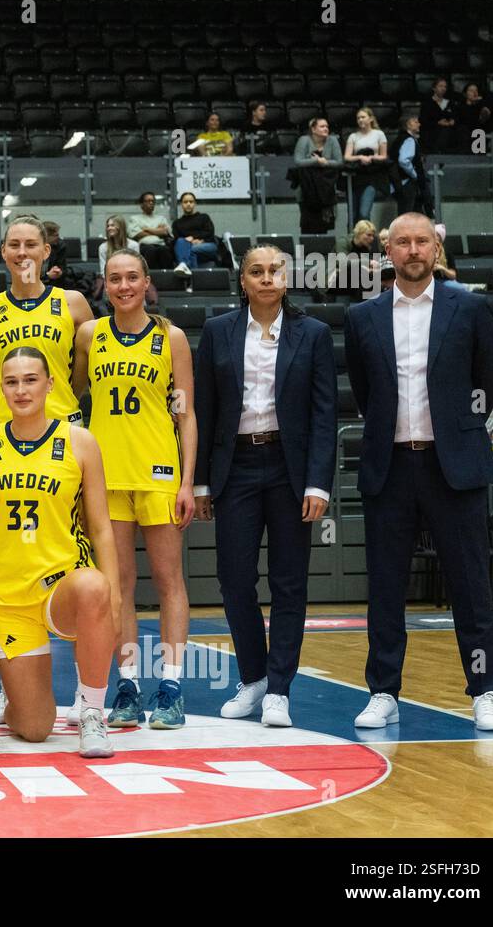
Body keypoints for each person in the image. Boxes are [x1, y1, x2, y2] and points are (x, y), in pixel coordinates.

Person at [343, 212, 493, 731]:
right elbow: (366, 393)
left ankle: (485, 690)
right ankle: (383, 691)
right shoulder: (362, 317)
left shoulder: (472, 308)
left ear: (436, 250)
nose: (413, 250)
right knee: (386, 587)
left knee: (470, 585)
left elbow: (487, 384)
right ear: (387, 253)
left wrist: (458, 435)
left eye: (422, 242)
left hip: (452, 466)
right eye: (402, 242)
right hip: (390, 466)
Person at [193, 245, 337, 726]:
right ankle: (253, 678)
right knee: (234, 580)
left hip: (289, 468)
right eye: (257, 271)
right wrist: (200, 483)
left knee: (289, 582)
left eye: (275, 270)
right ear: (243, 281)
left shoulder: (313, 334)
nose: (267, 278)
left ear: (288, 278)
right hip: (235, 466)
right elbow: (206, 410)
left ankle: (280, 689)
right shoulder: (217, 332)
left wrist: (318, 483)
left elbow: (324, 415)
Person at [0, 346, 122, 756]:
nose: (21, 390)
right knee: (35, 728)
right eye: (11, 381)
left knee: (93, 586)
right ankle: (14, 695)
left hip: (62, 585)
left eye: (30, 380)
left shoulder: (80, 442)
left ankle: (91, 712)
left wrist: (116, 593)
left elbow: (102, 527)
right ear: (0, 388)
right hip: (7, 598)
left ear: (50, 384)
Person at [73, 250, 197, 728]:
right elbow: (74, 398)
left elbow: (185, 415)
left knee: (169, 582)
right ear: (104, 286)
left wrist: (187, 480)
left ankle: (171, 686)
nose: (124, 286)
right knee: (116, 587)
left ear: (147, 282)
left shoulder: (172, 338)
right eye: (114, 279)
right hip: (106, 476)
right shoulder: (91, 336)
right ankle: (126, 686)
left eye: (132, 277)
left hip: (159, 475)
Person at [0, 212, 94, 431]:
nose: (22, 252)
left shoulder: (73, 303)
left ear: (46, 251)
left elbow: (86, 376)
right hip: (6, 428)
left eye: (31, 244)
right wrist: (4, 393)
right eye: (14, 245)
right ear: (3, 251)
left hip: (62, 426)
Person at [292, 117, 344, 234]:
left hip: (326, 188)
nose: (326, 129)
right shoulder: (304, 140)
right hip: (307, 188)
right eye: (322, 126)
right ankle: (307, 248)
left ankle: (321, 249)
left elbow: (339, 162)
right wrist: (317, 162)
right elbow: (298, 161)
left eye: (327, 126)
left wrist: (324, 161)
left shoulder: (332, 140)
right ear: (313, 129)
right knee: (307, 222)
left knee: (323, 223)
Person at [344, 108, 390, 225]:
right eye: (358, 118)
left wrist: (372, 158)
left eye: (363, 117)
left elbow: (384, 156)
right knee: (352, 214)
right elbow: (347, 157)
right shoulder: (353, 136)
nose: (360, 120)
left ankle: (366, 239)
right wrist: (360, 157)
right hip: (356, 176)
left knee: (364, 213)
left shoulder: (379, 134)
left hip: (371, 176)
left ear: (370, 118)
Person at [391, 114, 431, 217]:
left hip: (398, 182)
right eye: (416, 122)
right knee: (408, 214)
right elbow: (404, 161)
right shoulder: (409, 140)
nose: (419, 124)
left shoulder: (398, 139)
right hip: (407, 182)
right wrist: (415, 175)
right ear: (408, 124)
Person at [171, 191, 218, 274]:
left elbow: (210, 233)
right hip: (189, 246)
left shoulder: (203, 217)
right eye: (185, 202)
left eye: (191, 202)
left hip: (207, 244)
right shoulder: (177, 223)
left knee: (190, 250)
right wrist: (190, 243)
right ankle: (193, 278)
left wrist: (197, 239)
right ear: (181, 204)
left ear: (195, 203)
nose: (188, 204)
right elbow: (177, 240)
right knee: (187, 247)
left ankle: (184, 266)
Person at [127, 191, 174, 269]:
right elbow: (136, 235)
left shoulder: (161, 218)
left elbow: (165, 232)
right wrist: (157, 231)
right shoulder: (134, 219)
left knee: (165, 250)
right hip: (144, 246)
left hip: (160, 245)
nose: (151, 203)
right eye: (148, 201)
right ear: (142, 204)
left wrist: (146, 229)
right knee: (150, 250)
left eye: (153, 201)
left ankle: (168, 276)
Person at [420, 78, 458, 153]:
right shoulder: (427, 103)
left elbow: (455, 116)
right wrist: (437, 123)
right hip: (432, 130)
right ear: (434, 88)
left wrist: (453, 121)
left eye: (445, 87)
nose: (443, 88)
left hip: (449, 130)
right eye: (440, 86)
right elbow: (423, 120)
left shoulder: (450, 103)